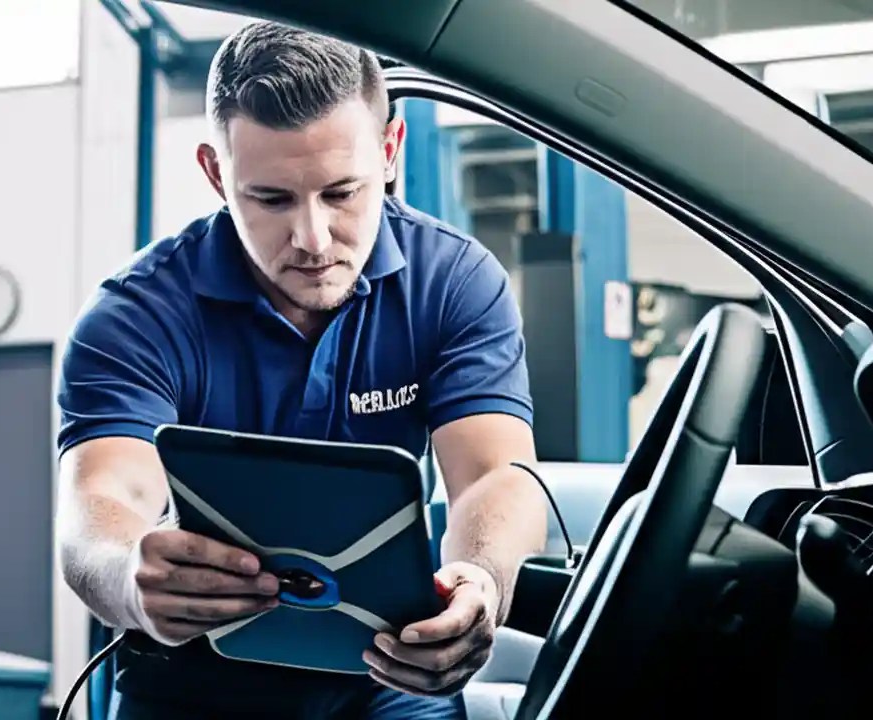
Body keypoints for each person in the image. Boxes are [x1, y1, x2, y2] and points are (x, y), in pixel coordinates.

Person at [55, 21, 547, 720]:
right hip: (193, 677)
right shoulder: (134, 315)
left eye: (342, 193)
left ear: (390, 150)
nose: (313, 240)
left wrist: (481, 581)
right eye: (272, 199)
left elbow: (498, 474)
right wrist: (128, 574)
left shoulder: (455, 283)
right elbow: (97, 506)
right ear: (215, 173)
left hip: (389, 669)